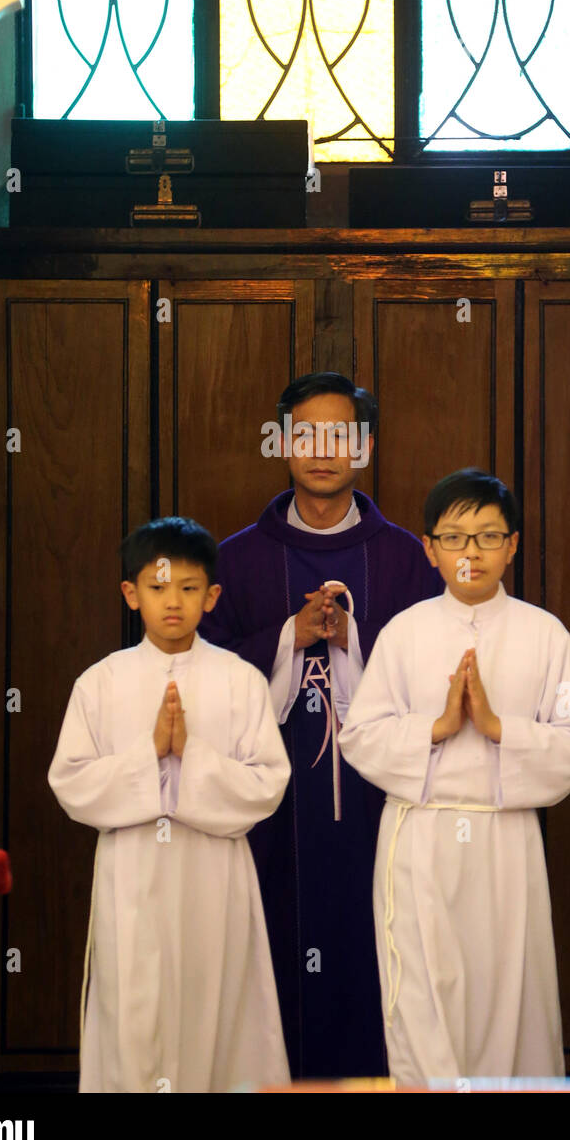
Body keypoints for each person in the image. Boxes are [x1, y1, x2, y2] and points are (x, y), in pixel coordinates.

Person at [197, 371, 443, 1080]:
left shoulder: (406, 558)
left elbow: (434, 678)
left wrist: (351, 646)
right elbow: (203, 679)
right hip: (275, 817)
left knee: (377, 946)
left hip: (376, 808)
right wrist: (285, 637)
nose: (324, 448)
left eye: (342, 433)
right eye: (307, 432)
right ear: (282, 442)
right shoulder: (237, 559)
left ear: (363, 446)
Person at [338, 468, 570, 1085]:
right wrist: (434, 727)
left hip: (505, 840)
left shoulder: (546, 634)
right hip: (420, 841)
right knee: (424, 1000)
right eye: (455, 537)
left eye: (488, 536)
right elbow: (360, 736)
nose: (472, 552)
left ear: (513, 545)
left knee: (510, 997)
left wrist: (496, 726)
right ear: (429, 549)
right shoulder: (404, 633)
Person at [47, 516, 291, 1093]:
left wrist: (192, 756)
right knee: (134, 1004)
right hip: (132, 870)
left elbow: (268, 783)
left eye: (187, 587)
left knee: (219, 1000)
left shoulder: (240, 680)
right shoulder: (100, 683)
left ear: (212, 595)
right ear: (131, 594)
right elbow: (71, 784)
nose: (172, 603)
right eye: (157, 589)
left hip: (215, 872)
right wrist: (150, 754)